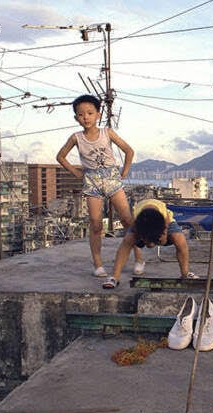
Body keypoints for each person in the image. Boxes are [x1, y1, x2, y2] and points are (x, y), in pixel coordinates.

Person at [55, 94, 144, 279]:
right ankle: (98, 264)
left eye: (89, 113)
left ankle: (139, 257)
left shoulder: (107, 133)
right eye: (81, 114)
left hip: (112, 178)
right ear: (76, 118)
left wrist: (125, 171)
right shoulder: (76, 137)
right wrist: (76, 173)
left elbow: (129, 150)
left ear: (98, 114)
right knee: (95, 224)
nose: (85, 117)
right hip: (91, 181)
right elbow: (60, 156)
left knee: (127, 219)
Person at [103, 198, 198, 289]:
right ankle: (114, 277)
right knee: (127, 242)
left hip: (163, 222)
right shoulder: (136, 219)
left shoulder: (165, 218)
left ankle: (185, 274)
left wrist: (163, 239)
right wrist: (141, 239)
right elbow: (133, 230)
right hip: (142, 222)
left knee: (181, 241)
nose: (150, 245)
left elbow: (165, 231)